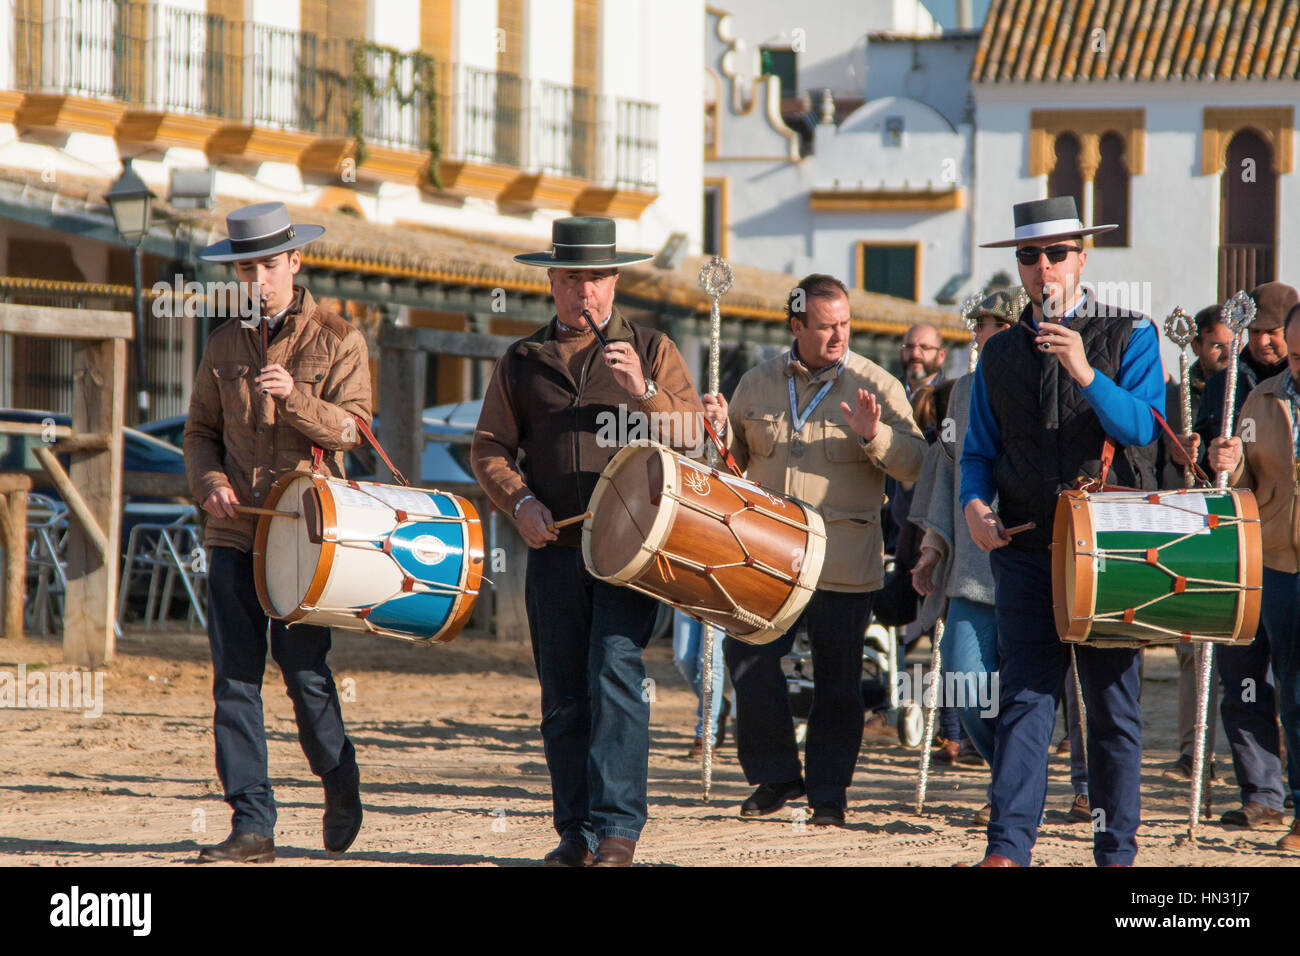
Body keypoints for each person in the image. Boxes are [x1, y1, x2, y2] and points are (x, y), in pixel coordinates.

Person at [471, 217, 704, 867]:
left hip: (633, 550)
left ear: (615, 281)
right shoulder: (522, 360)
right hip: (552, 550)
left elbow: (695, 439)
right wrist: (518, 501)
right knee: (563, 692)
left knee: (615, 675)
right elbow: (489, 446)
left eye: (597, 277)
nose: (586, 292)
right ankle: (574, 831)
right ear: (551, 282)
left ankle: (618, 831)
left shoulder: (653, 349)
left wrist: (645, 393)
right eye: (572, 277)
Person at [961, 196, 1164, 867]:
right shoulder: (997, 356)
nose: (1042, 267)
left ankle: (1116, 854)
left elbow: (1141, 429)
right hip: (1025, 548)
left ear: (1082, 257)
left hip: (1113, 549)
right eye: (1028, 256)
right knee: (1025, 700)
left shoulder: (1132, 334)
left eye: (1055, 254)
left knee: (1110, 710)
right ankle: (1007, 850)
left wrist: (1084, 370)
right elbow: (977, 453)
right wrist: (972, 503)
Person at [702, 273, 926, 827]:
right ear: (796, 325)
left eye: (845, 325)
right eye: (826, 327)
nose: (838, 337)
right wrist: (714, 435)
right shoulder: (755, 384)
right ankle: (777, 776)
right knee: (747, 658)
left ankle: (829, 794)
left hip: (844, 562)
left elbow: (918, 465)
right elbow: (725, 469)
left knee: (839, 680)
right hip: (768, 557)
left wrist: (876, 435)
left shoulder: (878, 385)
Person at [185, 201, 371, 863]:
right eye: (246, 266)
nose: (258, 277)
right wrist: (209, 484)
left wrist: (293, 395)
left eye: (269, 263)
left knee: (304, 672)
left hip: (304, 531)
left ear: (295, 261)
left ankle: (338, 774)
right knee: (235, 676)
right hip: (235, 531)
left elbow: (354, 431)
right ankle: (252, 826)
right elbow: (200, 433)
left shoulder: (339, 337)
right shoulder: (222, 343)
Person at [910, 288, 1017, 819]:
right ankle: (1013, 781)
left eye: (995, 326)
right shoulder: (962, 393)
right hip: (973, 570)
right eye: (980, 326)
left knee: (1031, 693)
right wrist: (932, 548)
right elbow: (949, 472)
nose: (984, 335)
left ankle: (1014, 797)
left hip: (1035, 565)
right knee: (964, 679)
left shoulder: (1047, 385)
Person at [1196, 282, 1299, 829]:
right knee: (1240, 677)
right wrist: (1210, 457)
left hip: (1291, 558)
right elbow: (1218, 475)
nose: (1262, 342)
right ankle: (1262, 790)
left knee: (1293, 682)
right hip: (1237, 549)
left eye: (1272, 333)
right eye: (1254, 332)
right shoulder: (1225, 387)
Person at [1163, 304, 1232, 778]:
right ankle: (1195, 751)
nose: (1224, 352)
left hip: (1245, 529)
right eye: (1214, 344)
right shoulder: (1179, 395)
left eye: (1232, 342)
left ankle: (1266, 770)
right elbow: (1158, 464)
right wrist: (1178, 453)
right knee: (1192, 648)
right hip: (1192, 526)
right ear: (1197, 345)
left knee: (1247, 655)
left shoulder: (1249, 388)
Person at [671, 609, 728, 756]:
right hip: (684, 590)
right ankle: (718, 705)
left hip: (720, 593)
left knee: (709, 660)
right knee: (683, 659)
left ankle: (706, 734)